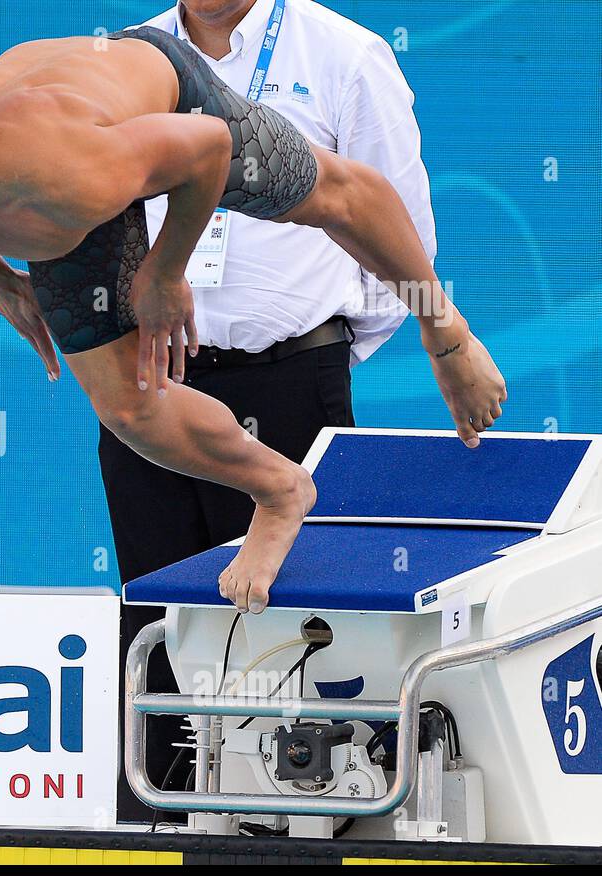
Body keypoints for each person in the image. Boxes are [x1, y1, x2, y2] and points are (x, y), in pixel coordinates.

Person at [0, 33, 507, 614]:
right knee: (128, 407)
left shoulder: (65, 169)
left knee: (331, 194)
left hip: (153, 98)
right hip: (40, 197)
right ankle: (281, 488)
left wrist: (165, 270)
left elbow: (205, 148)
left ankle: (446, 331)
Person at [100, 0, 442, 821]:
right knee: (159, 632)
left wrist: (310, 346)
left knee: (304, 640)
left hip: (292, 388)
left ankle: (316, 828)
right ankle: (165, 827)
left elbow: (399, 227)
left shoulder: (345, 56)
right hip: (156, 387)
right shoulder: (127, 58)